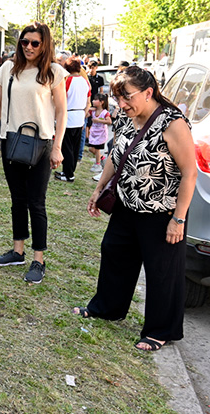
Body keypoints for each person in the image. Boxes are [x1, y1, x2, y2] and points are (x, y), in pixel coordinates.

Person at [78, 66, 197, 352]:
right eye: (118, 98)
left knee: (161, 271)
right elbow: (114, 156)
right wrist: (99, 189)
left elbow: (189, 173)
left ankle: (160, 330)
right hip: (126, 204)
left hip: (162, 211)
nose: (122, 104)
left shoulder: (172, 123)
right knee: (114, 253)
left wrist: (178, 219)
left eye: (127, 97)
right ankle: (107, 308)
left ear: (148, 92)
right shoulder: (125, 119)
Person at [0, 22, 67, 284]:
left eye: (35, 43)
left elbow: (62, 112)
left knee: (36, 202)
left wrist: (57, 146)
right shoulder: (8, 68)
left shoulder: (54, 72)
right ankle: (17, 251)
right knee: (17, 198)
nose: (28, 47)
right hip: (11, 140)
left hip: (40, 143)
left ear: (45, 45)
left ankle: (38, 259)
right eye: (24, 42)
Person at [55, 56, 91, 183]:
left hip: (68, 116)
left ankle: (68, 174)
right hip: (80, 116)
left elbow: (61, 99)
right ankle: (69, 171)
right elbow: (88, 102)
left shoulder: (68, 81)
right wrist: (84, 114)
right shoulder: (85, 82)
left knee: (67, 147)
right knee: (75, 147)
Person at [87, 93, 111, 173]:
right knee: (91, 148)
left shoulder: (105, 112)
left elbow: (109, 121)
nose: (93, 101)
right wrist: (88, 109)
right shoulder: (93, 111)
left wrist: (99, 120)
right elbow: (86, 115)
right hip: (93, 133)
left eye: (95, 100)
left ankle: (98, 164)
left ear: (101, 102)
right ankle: (101, 158)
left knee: (97, 149)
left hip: (101, 133)